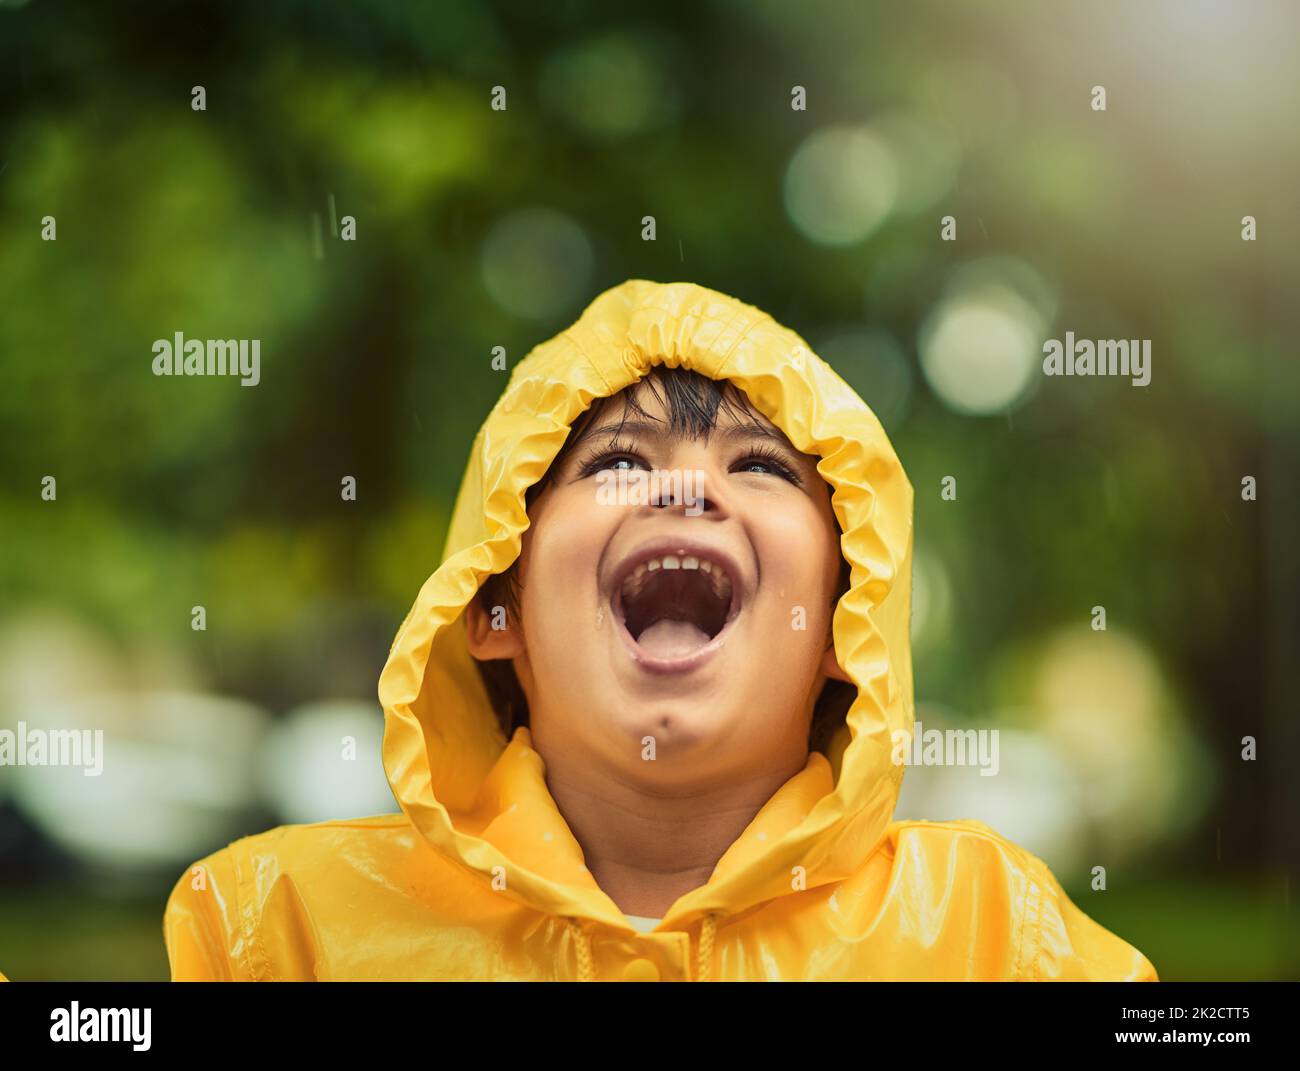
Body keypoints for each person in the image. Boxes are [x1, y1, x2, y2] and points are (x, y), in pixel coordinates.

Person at [163, 279, 1158, 981]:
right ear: (492, 608)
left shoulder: (990, 935)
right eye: (616, 464)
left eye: (760, 467)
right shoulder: (277, 928)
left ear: (839, 630)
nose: (685, 488)